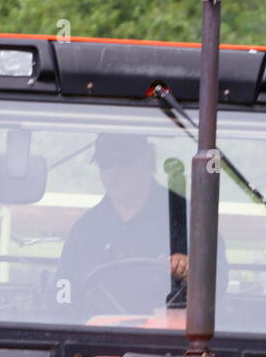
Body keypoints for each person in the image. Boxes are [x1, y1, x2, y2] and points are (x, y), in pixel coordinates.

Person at [56, 131, 187, 316]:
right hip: (97, 338)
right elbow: (64, 289)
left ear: (148, 160)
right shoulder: (86, 228)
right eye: (106, 164)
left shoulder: (187, 218)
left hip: (170, 339)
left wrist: (191, 271)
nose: (115, 172)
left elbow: (216, 280)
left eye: (125, 161)